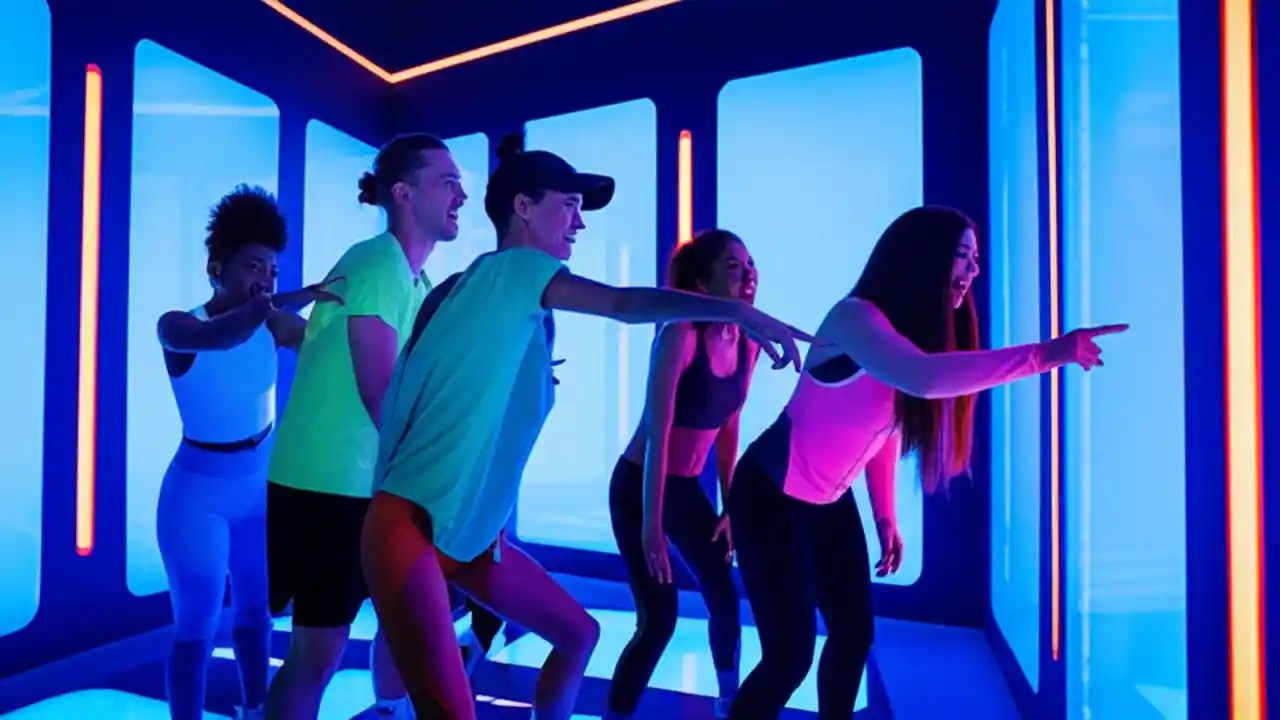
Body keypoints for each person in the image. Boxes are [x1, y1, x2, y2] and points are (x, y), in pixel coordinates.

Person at [360, 136, 816, 720]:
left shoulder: (480, 291)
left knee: (578, 635)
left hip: (456, 531)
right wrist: (740, 312)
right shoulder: (519, 268)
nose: (578, 222)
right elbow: (624, 304)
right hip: (408, 528)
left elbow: (441, 410)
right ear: (523, 208)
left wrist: (485, 513)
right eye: (568, 204)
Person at [725, 206, 1128, 720]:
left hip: (827, 502)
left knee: (853, 635)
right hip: (767, 496)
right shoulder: (854, 317)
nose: (973, 272)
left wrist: (885, 514)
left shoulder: (907, 339)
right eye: (962, 256)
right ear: (921, 257)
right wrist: (1047, 354)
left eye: (975, 259)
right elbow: (923, 379)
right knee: (789, 656)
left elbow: (881, 430)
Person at [264, 133, 466, 720]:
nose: (462, 194)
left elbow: (360, 366)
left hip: (367, 488)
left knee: (406, 619)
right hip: (328, 487)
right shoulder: (377, 261)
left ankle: (387, 710)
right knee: (317, 653)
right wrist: (435, 482)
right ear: (403, 194)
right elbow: (380, 392)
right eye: (446, 182)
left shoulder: (414, 281)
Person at [154, 185, 341, 720]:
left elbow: (336, 351)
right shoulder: (177, 325)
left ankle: (258, 711)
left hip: (258, 490)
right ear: (216, 269)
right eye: (252, 266)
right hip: (197, 499)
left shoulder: (273, 321)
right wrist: (289, 296)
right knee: (196, 627)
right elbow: (225, 336)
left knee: (257, 618)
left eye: (272, 270)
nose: (264, 279)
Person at [605, 229, 761, 720]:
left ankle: (728, 702)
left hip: (685, 489)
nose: (748, 274)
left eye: (750, 263)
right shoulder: (679, 333)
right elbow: (659, 434)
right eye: (733, 266)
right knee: (660, 619)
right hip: (639, 485)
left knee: (724, 593)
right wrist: (651, 525)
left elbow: (729, 429)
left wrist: (730, 505)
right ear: (702, 280)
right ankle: (618, 712)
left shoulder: (748, 344)